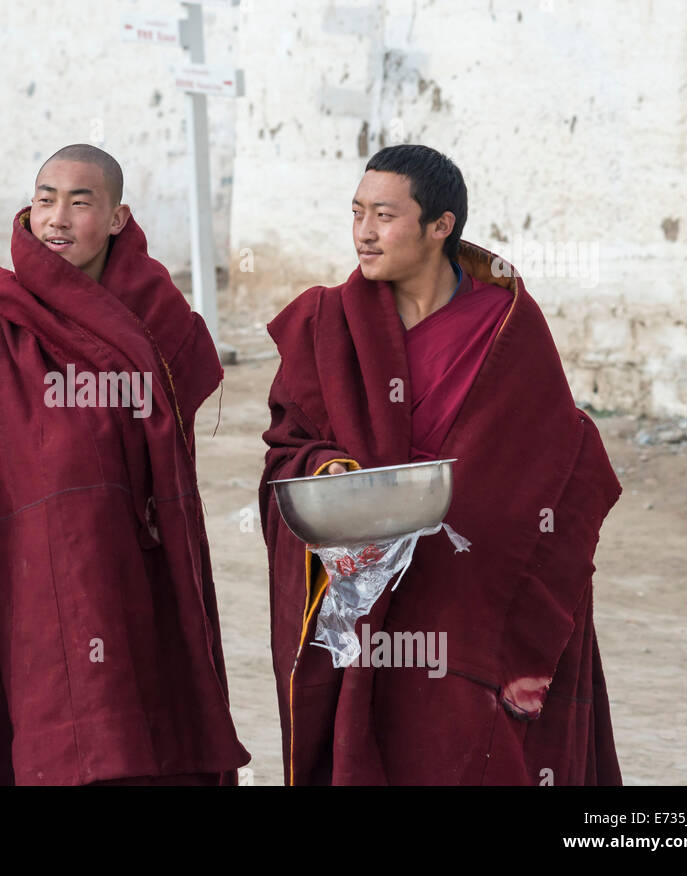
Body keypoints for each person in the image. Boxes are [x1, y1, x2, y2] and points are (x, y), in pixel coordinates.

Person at [259, 144, 621, 785]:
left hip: (468, 589)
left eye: (384, 216)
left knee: (461, 747)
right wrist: (331, 472)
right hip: (365, 582)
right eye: (356, 213)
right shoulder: (329, 320)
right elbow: (289, 443)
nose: (364, 234)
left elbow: (558, 461)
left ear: (440, 226)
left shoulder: (506, 325)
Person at [0, 145, 251, 785]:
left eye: (80, 202)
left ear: (119, 217)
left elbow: (178, 409)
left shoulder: (157, 312)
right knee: (57, 713)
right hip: (33, 562)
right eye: (45, 200)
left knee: (142, 703)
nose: (57, 219)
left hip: (139, 547)